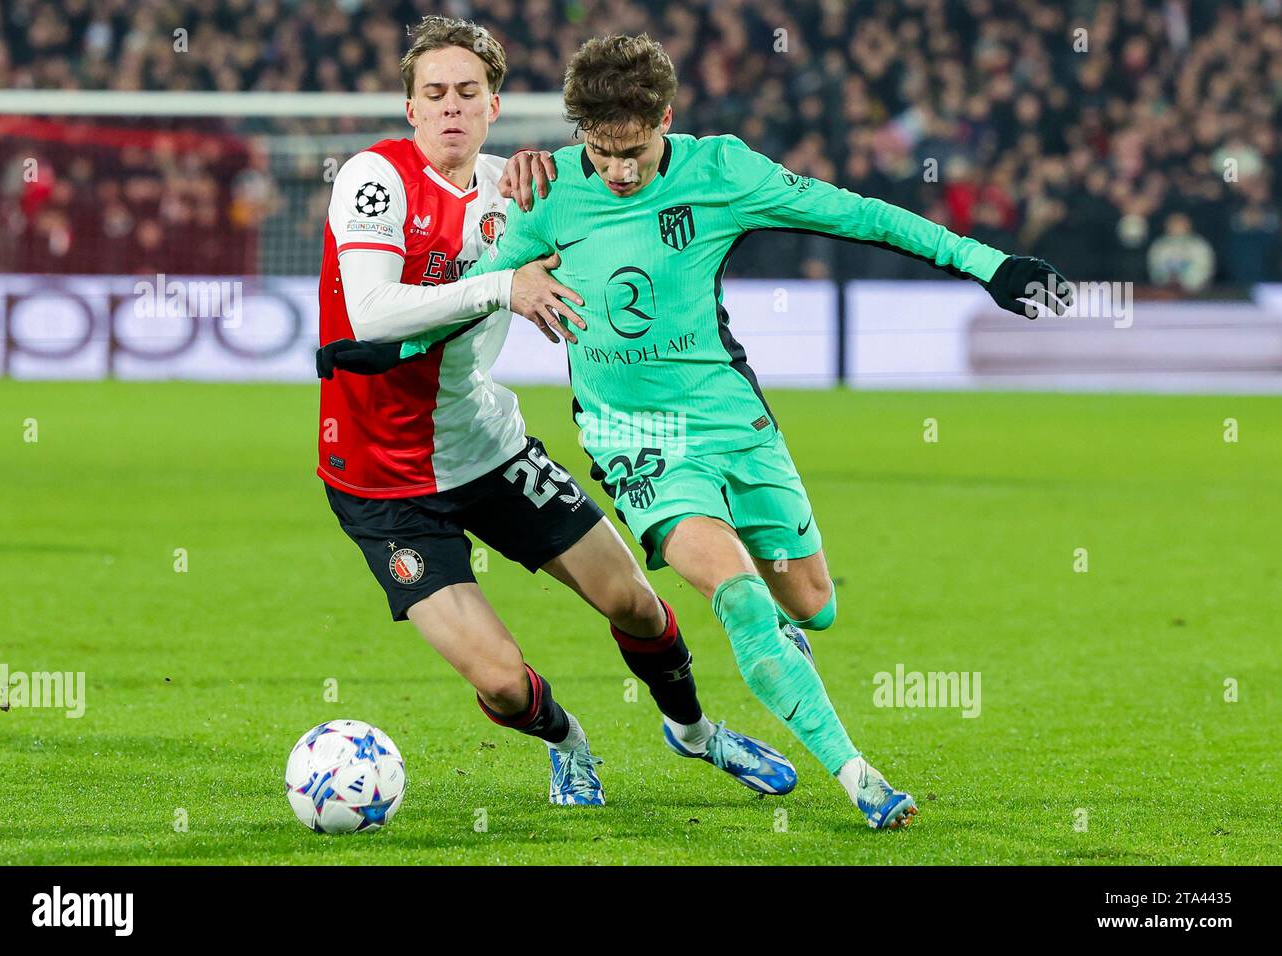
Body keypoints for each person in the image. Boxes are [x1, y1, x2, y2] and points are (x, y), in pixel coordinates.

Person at [323, 33, 1072, 830]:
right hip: (607, 444)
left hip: (677, 423)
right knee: (711, 603)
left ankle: (699, 725)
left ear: (666, 121)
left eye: (633, 152)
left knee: (793, 603)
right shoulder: (511, 192)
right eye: (600, 151)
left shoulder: (685, 174)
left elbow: (855, 214)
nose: (616, 170)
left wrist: (987, 264)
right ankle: (837, 775)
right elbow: (452, 294)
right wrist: (379, 345)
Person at [317, 17, 797, 809]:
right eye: (433, 94)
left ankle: (696, 733)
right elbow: (369, 315)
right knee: (505, 685)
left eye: (468, 93)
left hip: (490, 449)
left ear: (494, 105)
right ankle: (568, 742)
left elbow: (625, 207)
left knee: (636, 604)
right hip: (383, 485)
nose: (451, 109)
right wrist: (505, 284)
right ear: (409, 109)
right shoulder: (376, 180)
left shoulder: (523, 190)